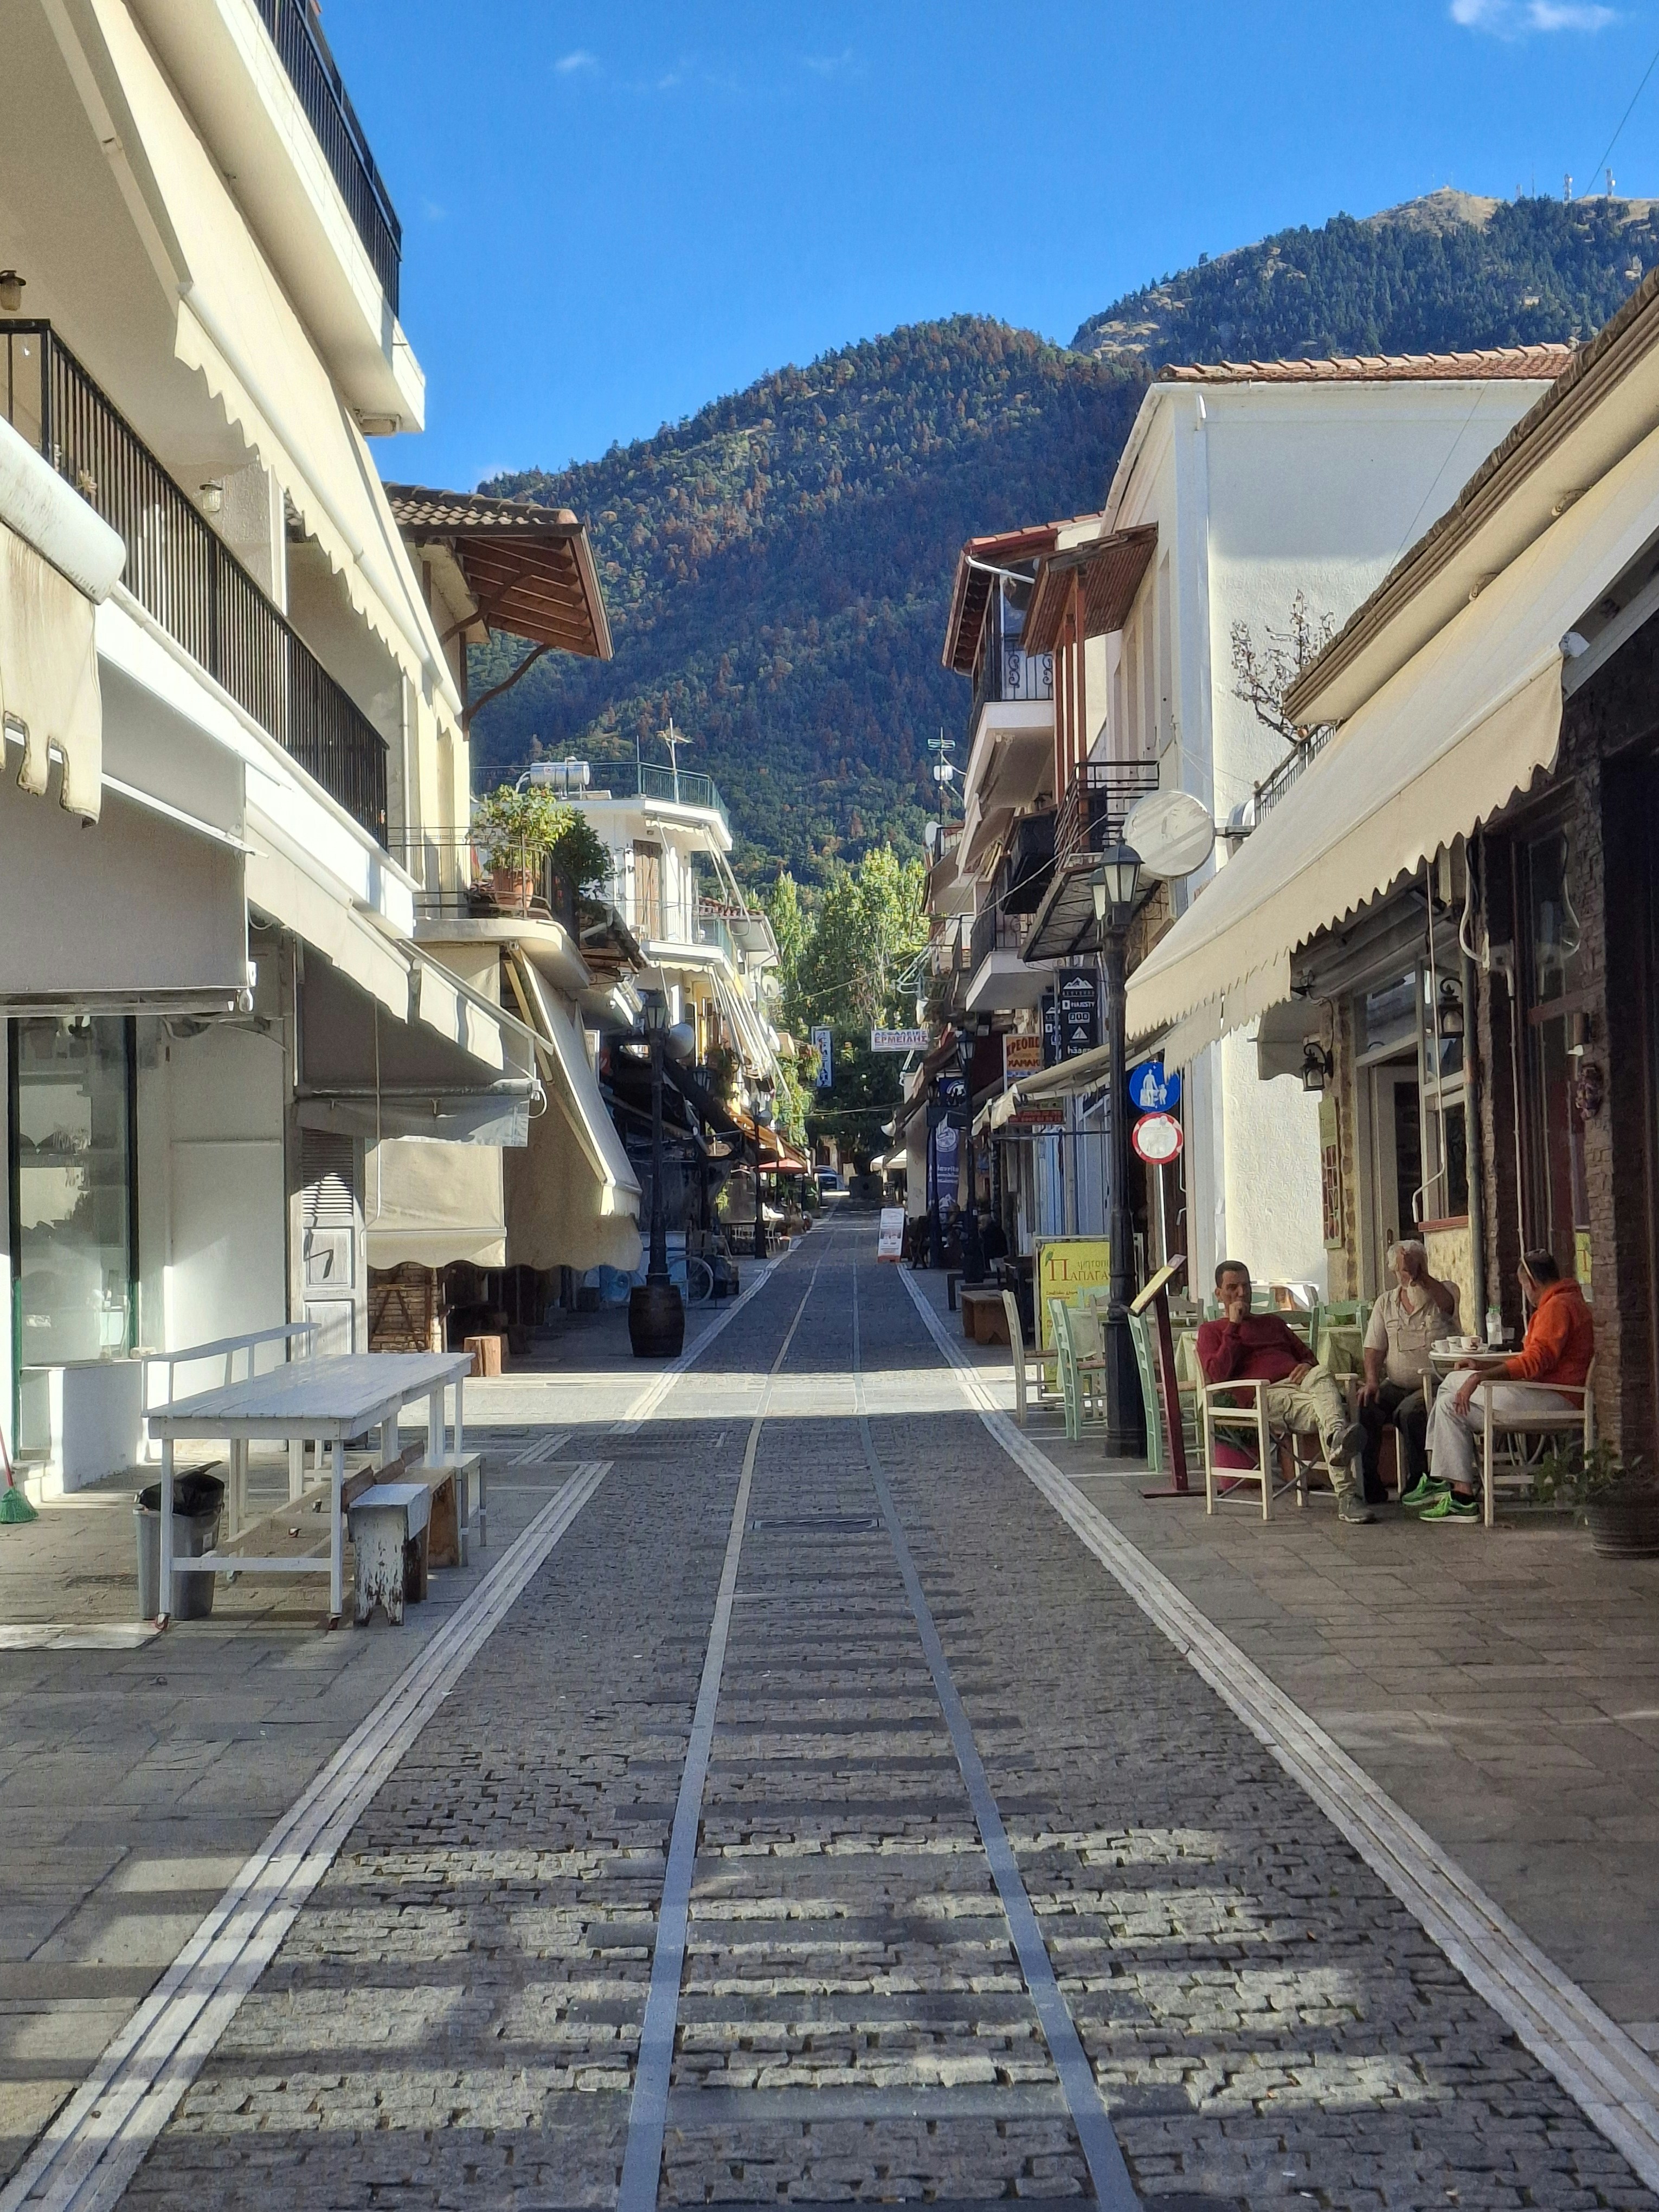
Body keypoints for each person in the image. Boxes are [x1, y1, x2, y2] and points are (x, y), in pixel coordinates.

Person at [1418, 1249, 1594, 1522]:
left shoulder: (1557, 1308)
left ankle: (1440, 1477)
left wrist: (1480, 1377)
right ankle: (1461, 1493)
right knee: (1448, 1405)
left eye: (1524, 1285)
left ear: (1532, 1283)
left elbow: (1536, 1361)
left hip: (1555, 1396)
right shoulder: (1569, 1301)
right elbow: (1535, 1359)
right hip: (1550, 1392)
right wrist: (1483, 1367)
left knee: (1453, 1382)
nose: (1526, 1293)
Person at [1196, 1259, 1373, 1525]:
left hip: (1302, 1384)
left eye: (1246, 1286)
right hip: (1266, 1395)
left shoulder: (1272, 1323)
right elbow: (1219, 1374)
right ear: (1219, 1294)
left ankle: (1337, 1438)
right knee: (1326, 1412)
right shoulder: (1211, 1331)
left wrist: (1305, 1365)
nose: (1242, 1293)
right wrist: (1233, 1326)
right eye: (1233, 1287)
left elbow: (1308, 1356)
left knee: (1321, 1372)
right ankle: (1346, 1493)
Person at [1360, 1240, 1458, 1505]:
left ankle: (1420, 1480)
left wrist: (1422, 1276)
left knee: (1410, 1412)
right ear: (1395, 1272)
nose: (1412, 1276)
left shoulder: (1444, 1292)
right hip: (1397, 1383)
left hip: (1438, 1382)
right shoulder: (1386, 1303)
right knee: (1366, 1406)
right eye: (1406, 1270)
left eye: (1418, 1266)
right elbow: (1374, 1348)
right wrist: (1371, 1381)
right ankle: (1370, 1484)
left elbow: (1448, 1305)